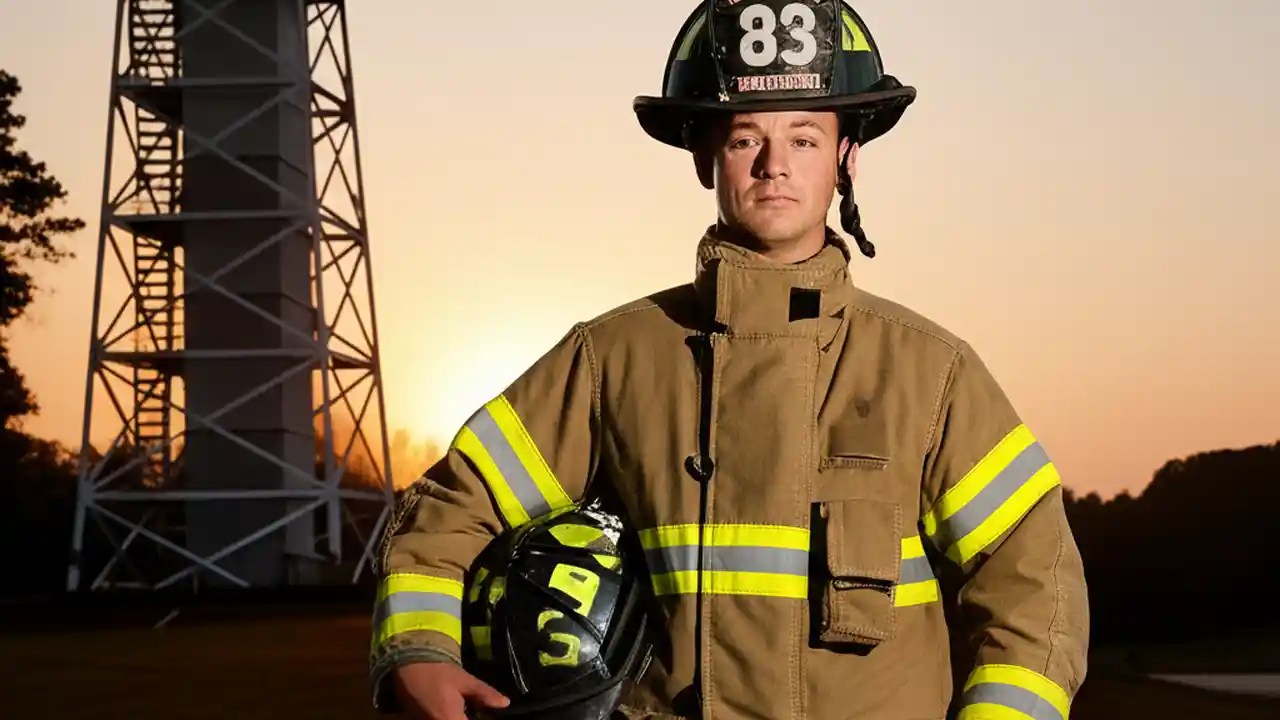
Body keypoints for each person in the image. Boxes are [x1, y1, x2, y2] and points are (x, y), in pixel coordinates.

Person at [368, 1, 1090, 718]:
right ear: (703, 155)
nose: (775, 165)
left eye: (805, 139)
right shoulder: (612, 359)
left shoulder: (930, 376)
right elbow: (449, 510)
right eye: (747, 138)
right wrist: (421, 651)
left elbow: (1035, 584)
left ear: (848, 156)